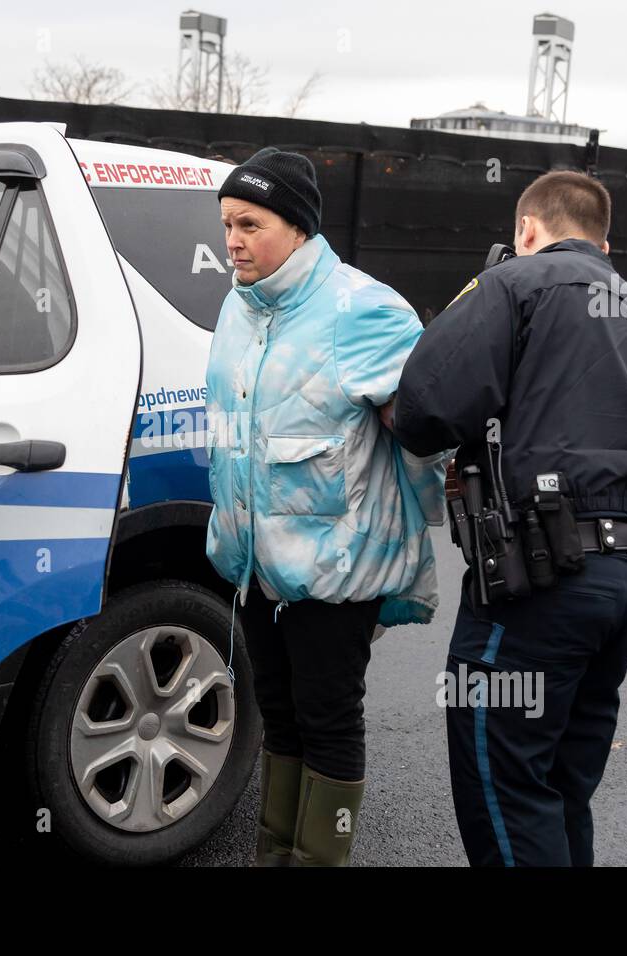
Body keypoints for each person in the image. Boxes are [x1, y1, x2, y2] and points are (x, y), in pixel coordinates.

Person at [385, 170, 627, 866]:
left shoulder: (514, 285)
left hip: (540, 583)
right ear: (604, 240)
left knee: (509, 798)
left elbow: (423, 408)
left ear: (527, 231)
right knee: (560, 794)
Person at [204, 147, 445, 867]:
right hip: (255, 561)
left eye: (250, 224)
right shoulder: (238, 307)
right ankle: (274, 857)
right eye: (226, 225)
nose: (233, 241)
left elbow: (425, 436)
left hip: (339, 564)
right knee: (277, 717)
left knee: (327, 719)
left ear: (299, 226)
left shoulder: (362, 309)